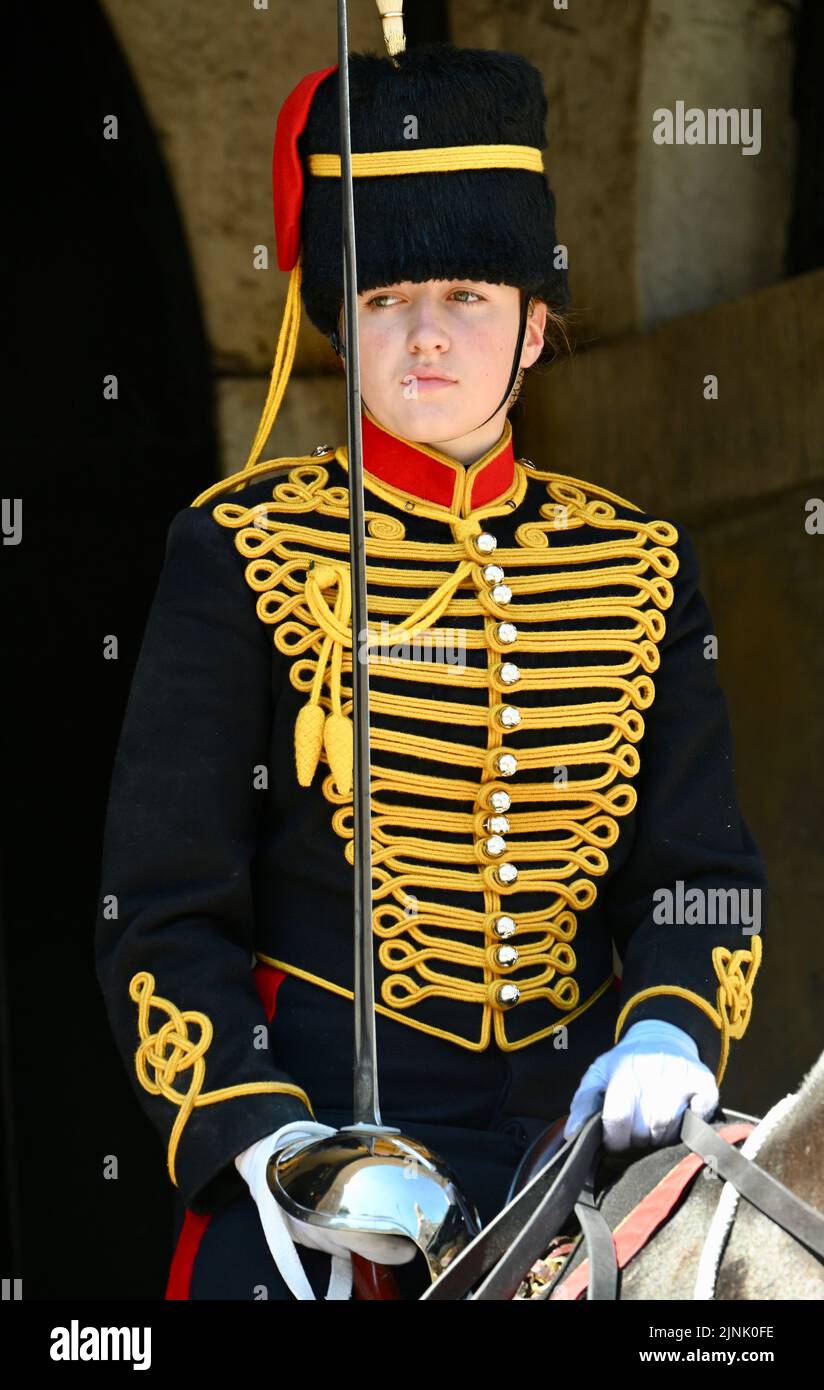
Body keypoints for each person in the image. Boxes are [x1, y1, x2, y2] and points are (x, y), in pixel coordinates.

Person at [95, 37, 766, 1302]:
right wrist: (266, 1136)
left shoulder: (639, 563)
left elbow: (698, 875)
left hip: (576, 1147)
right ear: (338, 326)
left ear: (534, 325)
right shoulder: (239, 549)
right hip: (328, 1169)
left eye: (464, 294)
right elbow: (163, 910)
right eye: (382, 298)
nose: (421, 336)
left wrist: (668, 1027)